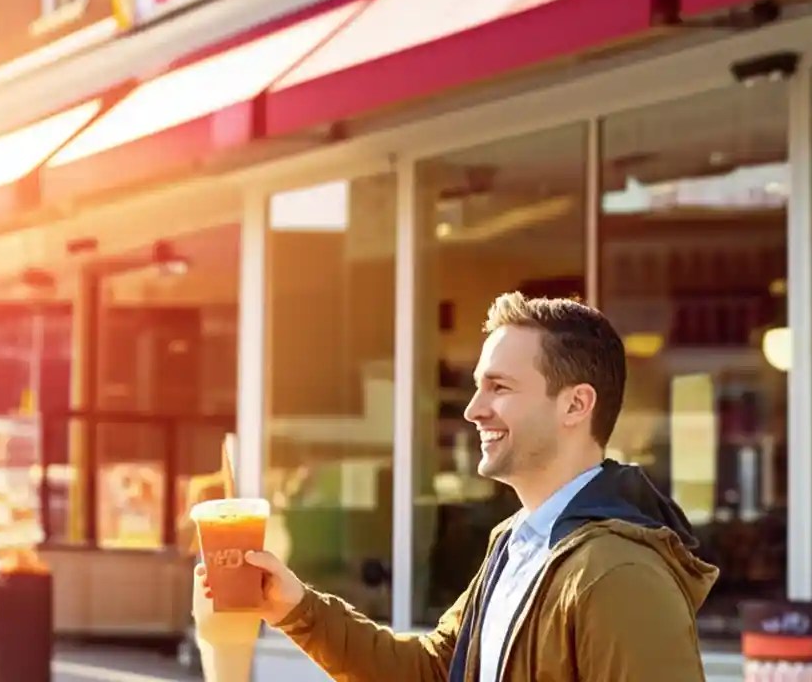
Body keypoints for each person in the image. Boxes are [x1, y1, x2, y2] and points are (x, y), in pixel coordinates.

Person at [198, 291, 718, 681]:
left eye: (500, 387)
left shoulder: (618, 574)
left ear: (576, 405)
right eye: (477, 387)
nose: (473, 410)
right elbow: (432, 671)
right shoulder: (518, 543)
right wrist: (293, 607)